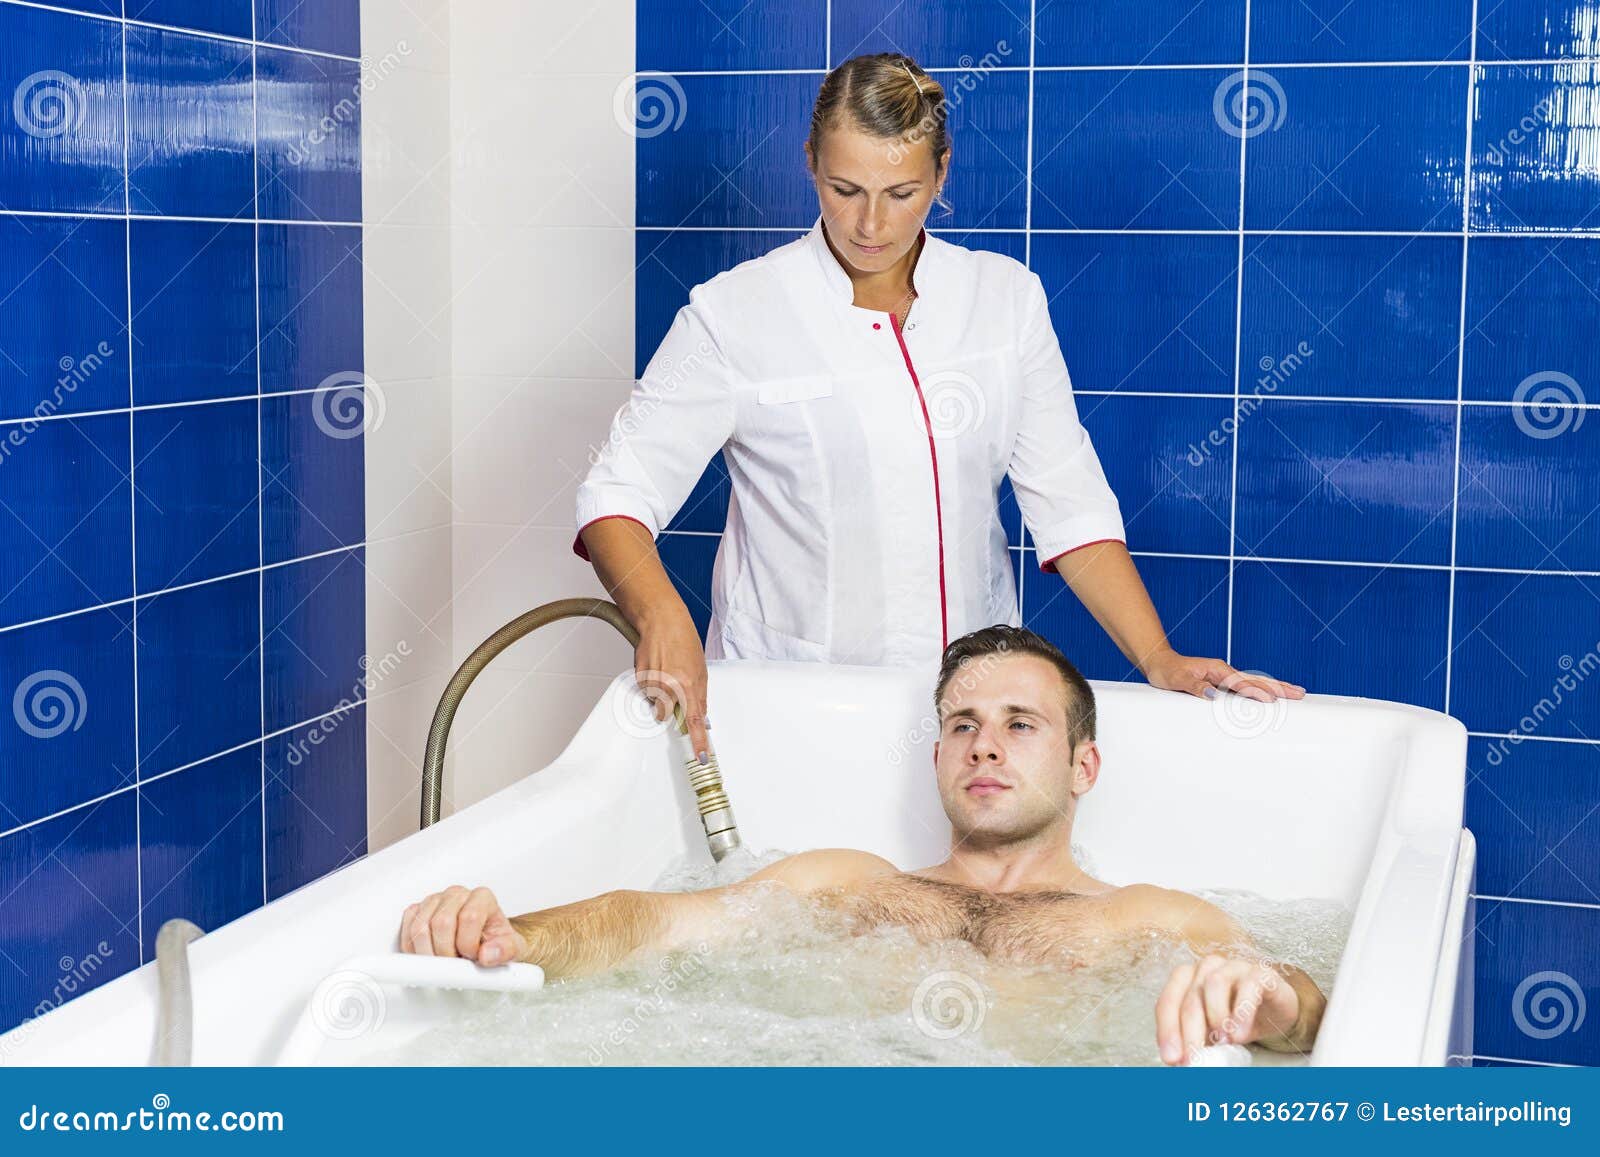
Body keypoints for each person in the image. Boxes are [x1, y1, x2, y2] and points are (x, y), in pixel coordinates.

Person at [575, 53, 1303, 766]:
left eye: (900, 192)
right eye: (844, 187)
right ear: (809, 161)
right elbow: (617, 493)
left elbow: (1069, 502)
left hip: (976, 723)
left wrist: (1158, 656)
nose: (868, 223)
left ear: (942, 171)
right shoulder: (734, 315)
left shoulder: (1003, 300)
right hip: (796, 711)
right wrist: (661, 613)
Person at [399, 625, 1327, 1066]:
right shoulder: (850, 884)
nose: (986, 744)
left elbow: (1306, 1009)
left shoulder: (1143, 915)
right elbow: (651, 924)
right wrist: (511, 932)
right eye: (962, 724)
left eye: (1019, 723)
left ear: (1085, 765)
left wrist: (1269, 999)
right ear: (936, 758)